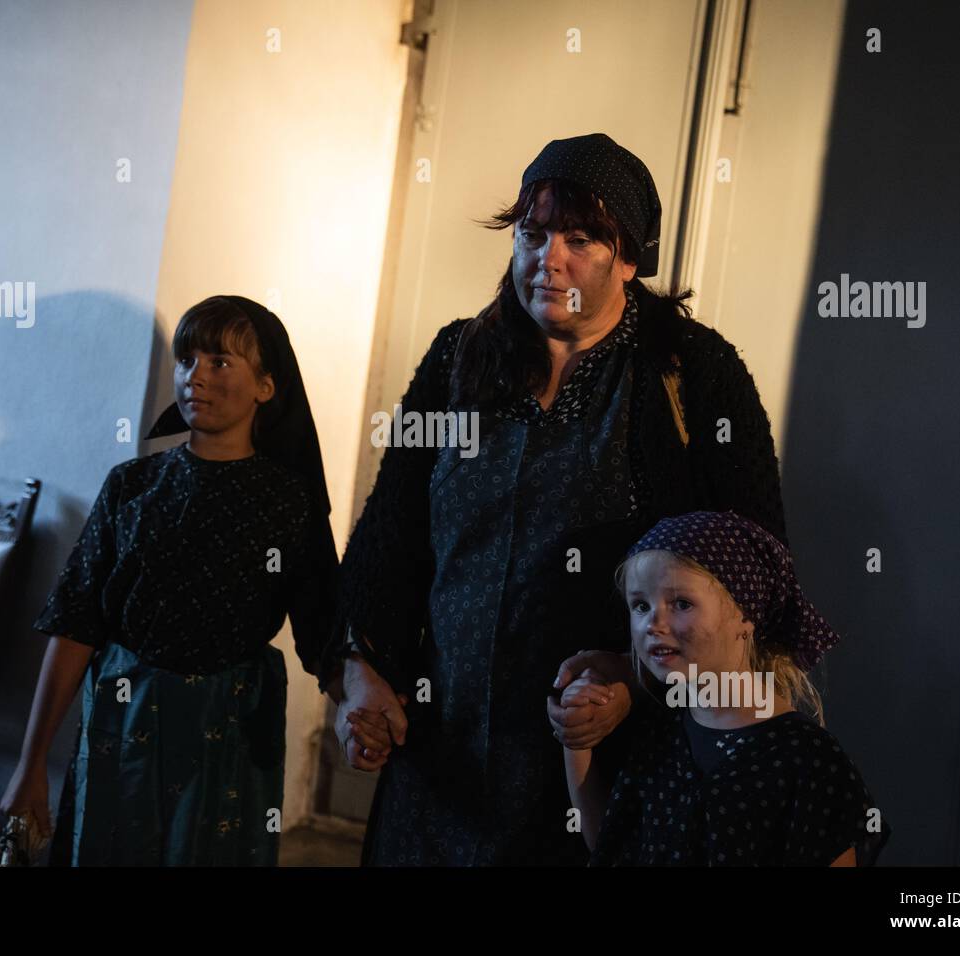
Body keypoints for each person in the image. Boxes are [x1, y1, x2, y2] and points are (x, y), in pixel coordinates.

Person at [323, 133, 791, 865]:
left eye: (582, 239)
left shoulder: (693, 375)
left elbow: (757, 570)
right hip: (439, 768)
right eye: (532, 234)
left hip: (602, 771)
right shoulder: (456, 360)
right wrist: (362, 673)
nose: (550, 259)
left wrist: (639, 679)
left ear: (631, 258)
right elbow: (391, 534)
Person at [0, 295, 338, 865]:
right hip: (122, 718)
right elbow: (76, 625)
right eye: (187, 360)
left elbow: (324, 630)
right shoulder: (131, 486)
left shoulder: (288, 502)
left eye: (220, 363)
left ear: (266, 386)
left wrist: (366, 707)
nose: (195, 378)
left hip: (228, 730)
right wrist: (30, 765)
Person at [558, 510, 889, 866]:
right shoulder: (660, 732)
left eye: (681, 604)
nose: (653, 624)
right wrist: (578, 744)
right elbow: (613, 846)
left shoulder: (807, 759)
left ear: (746, 616)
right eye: (640, 605)